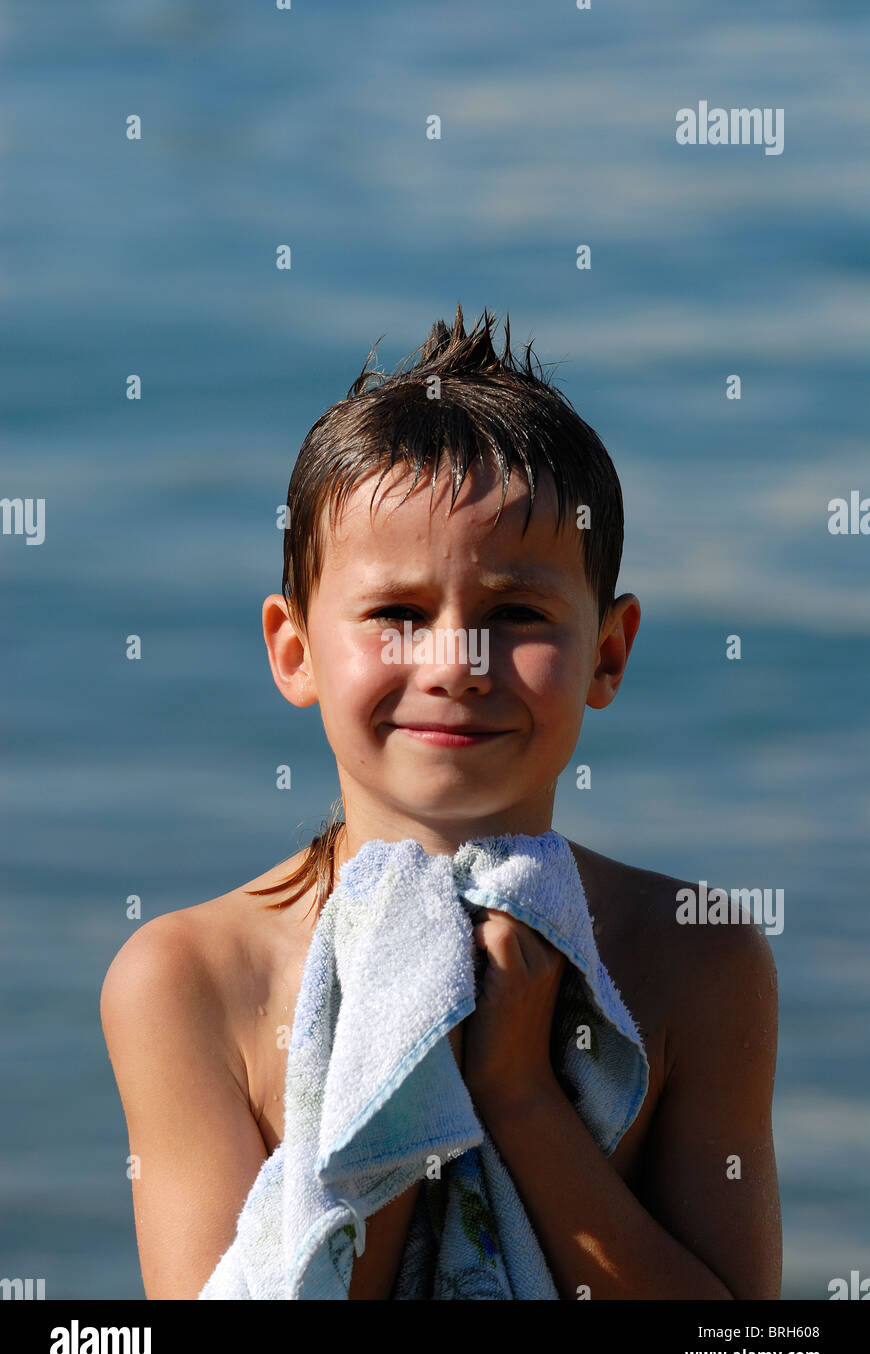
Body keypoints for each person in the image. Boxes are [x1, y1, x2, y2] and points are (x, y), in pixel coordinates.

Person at [100, 305, 781, 1300]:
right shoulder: (191, 979)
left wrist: (520, 1093)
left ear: (610, 650)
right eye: (397, 614)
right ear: (295, 652)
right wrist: (404, 1050)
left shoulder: (695, 954)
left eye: (515, 614)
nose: (457, 663)